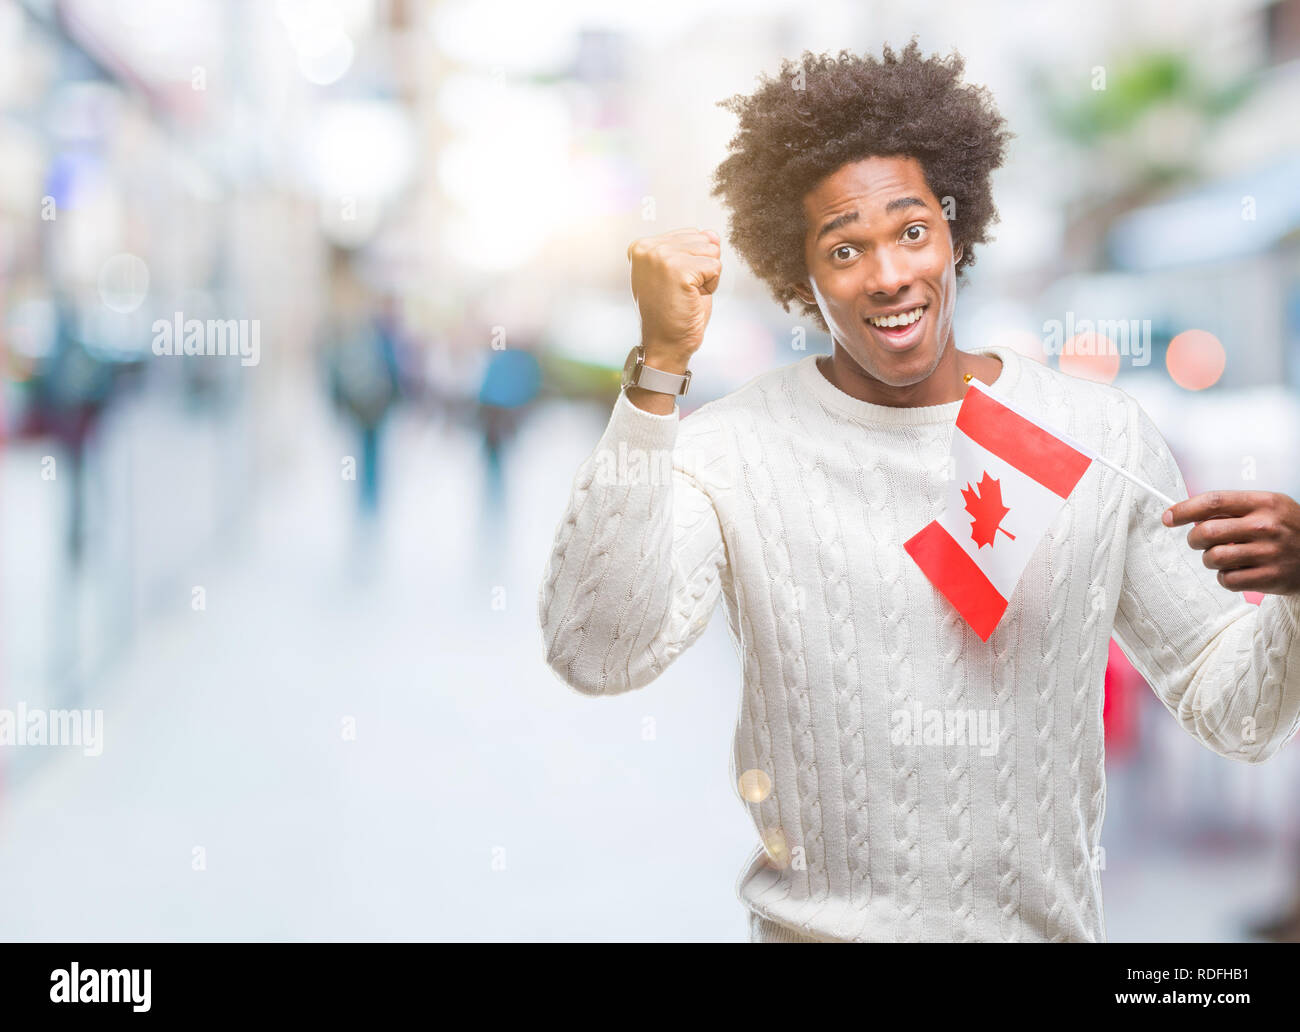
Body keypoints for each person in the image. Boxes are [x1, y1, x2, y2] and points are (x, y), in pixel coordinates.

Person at [536, 41, 1300, 943]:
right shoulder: (735, 449)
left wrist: (1295, 594)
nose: (891, 274)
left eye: (910, 230)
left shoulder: (1094, 436)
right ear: (801, 273)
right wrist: (658, 367)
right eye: (844, 247)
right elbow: (598, 649)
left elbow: (1238, 712)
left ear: (954, 226)